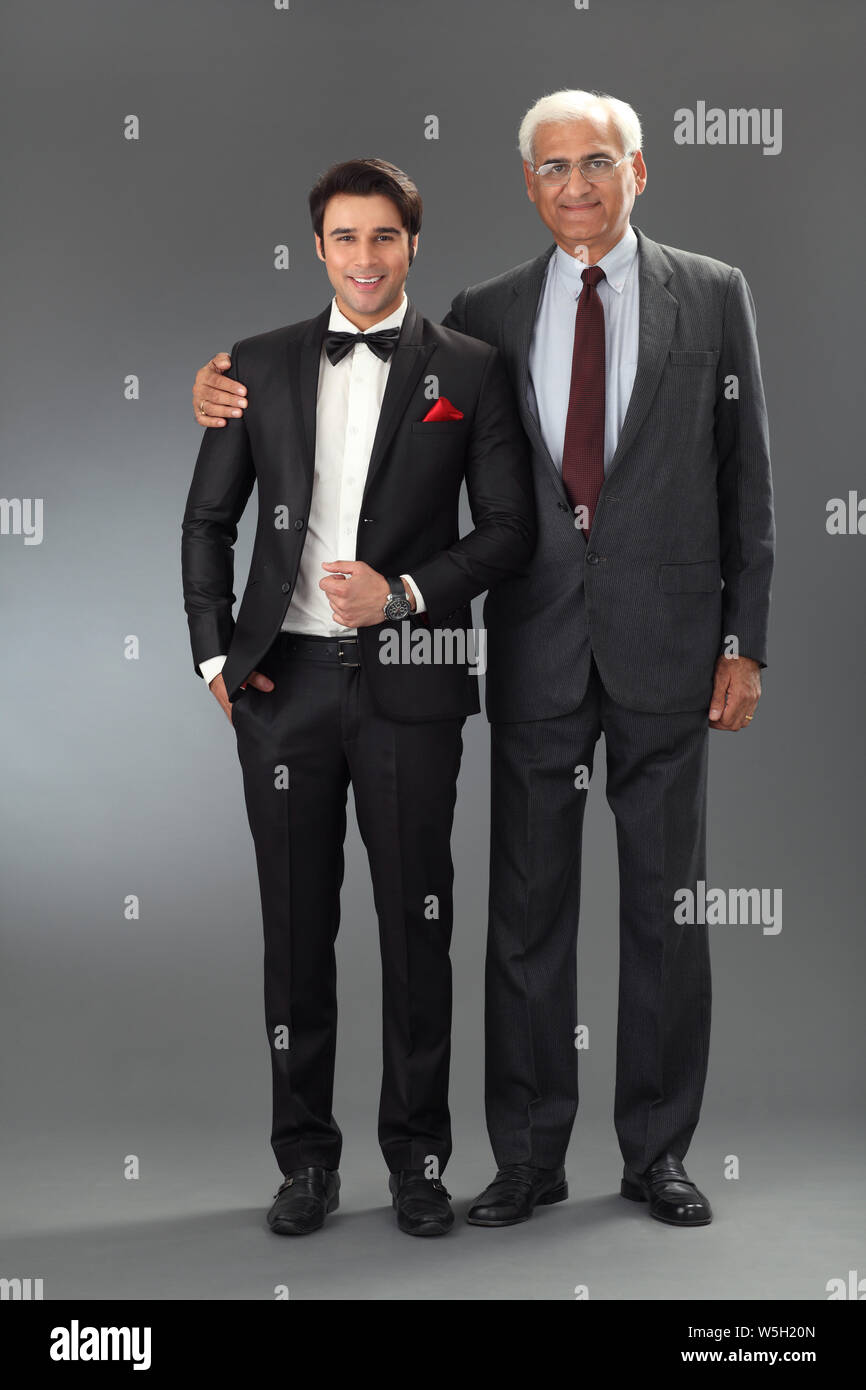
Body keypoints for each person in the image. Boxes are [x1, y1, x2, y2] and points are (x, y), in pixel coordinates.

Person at [191, 89, 775, 1230]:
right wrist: (224, 380)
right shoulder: (483, 314)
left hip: (664, 648)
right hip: (530, 653)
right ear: (525, 183)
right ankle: (524, 1159)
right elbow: (375, 395)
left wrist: (741, 641)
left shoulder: (711, 295)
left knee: (664, 911)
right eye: (551, 167)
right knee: (524, 914)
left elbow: (743, 482)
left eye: (595, 163)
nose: (573, 185)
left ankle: (655, 1154)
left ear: (637, 170)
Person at [181, 157, 535, 1238]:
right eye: (345, 237)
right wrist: (214, 663)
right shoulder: (253, 363)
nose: (366, 257)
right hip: (280, 684)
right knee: (294, 935)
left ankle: (419, 1162)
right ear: (319, 247)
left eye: (384, 237)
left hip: (412, 683)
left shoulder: (470, 369)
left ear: (411, 246)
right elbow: (207, 522)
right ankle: (304, 1162)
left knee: (414, 928)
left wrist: (408, 593)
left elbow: (509, 531)